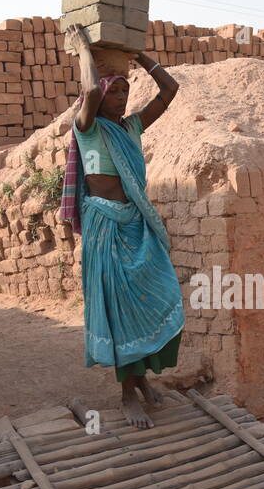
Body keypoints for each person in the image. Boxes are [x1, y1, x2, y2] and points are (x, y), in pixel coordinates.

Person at [60, 25, 183, 429]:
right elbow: (91, 92)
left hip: (134, 223)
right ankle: (128, 393)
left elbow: (170, 90)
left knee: (152, 299)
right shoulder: (88, 127)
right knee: (120, 307)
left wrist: (140, 57)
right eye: (117, 91)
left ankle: (143, 378)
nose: (122, 97)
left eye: (126, 92)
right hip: (104, 227)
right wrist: (83, 51)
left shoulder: (131, 127)